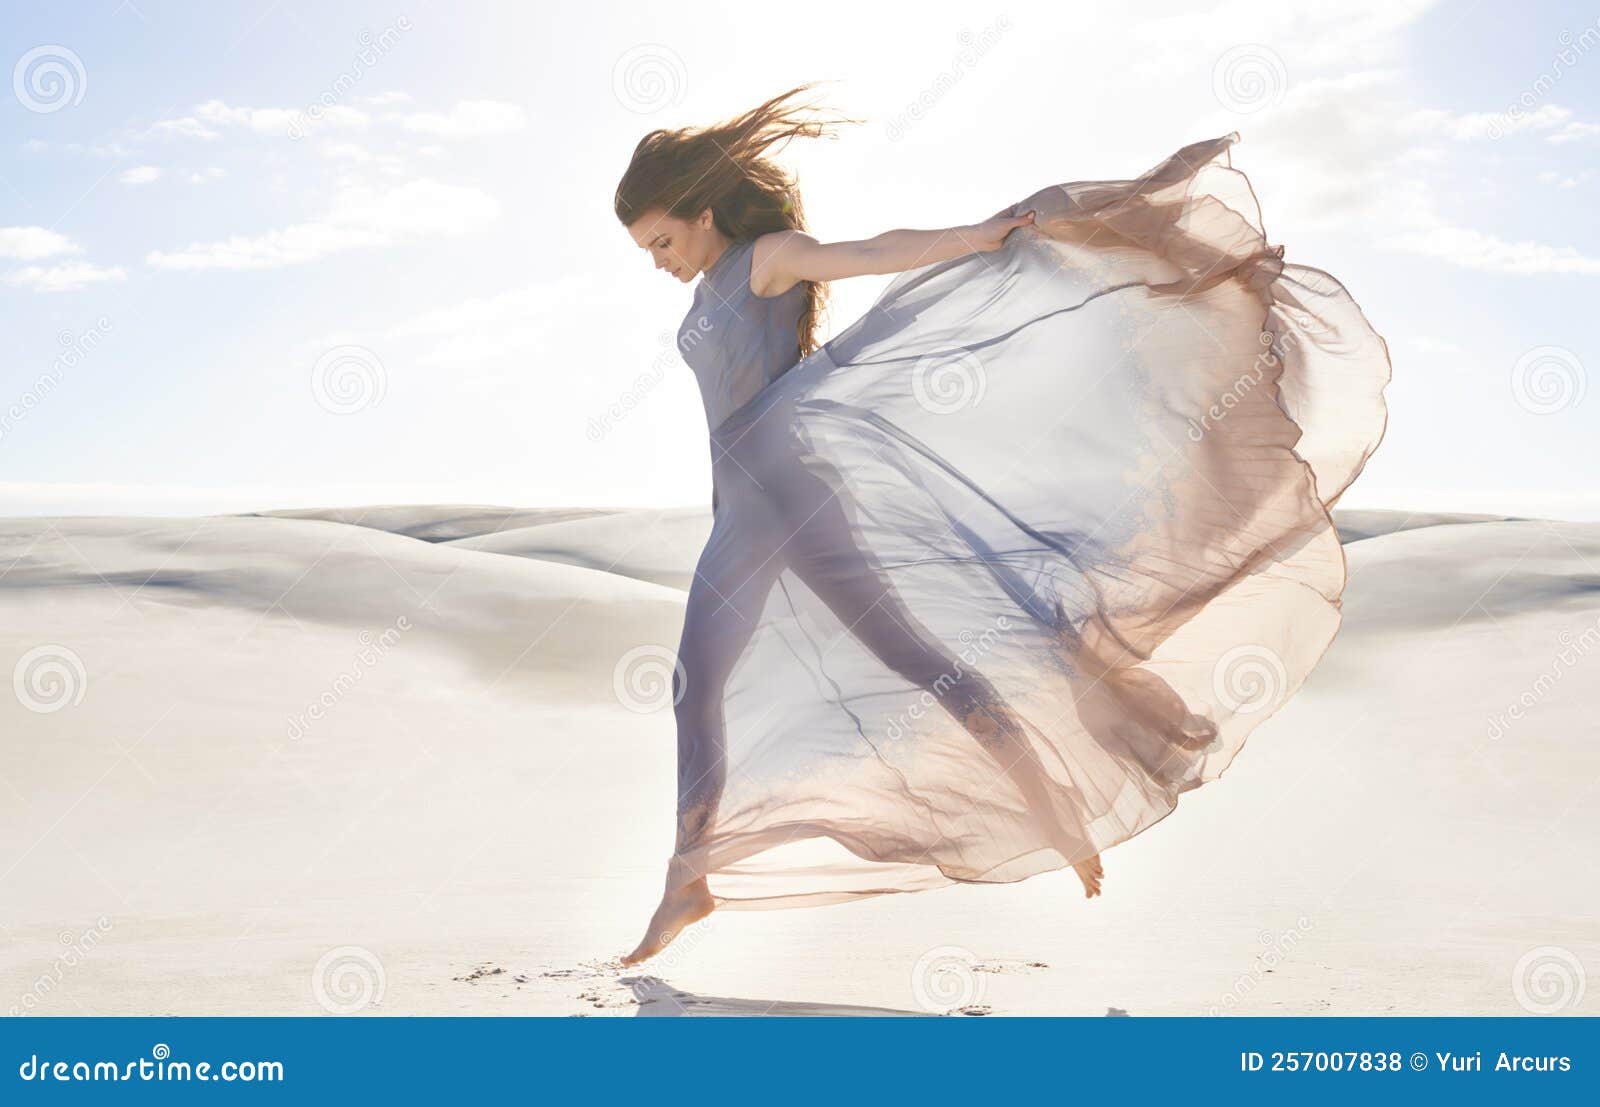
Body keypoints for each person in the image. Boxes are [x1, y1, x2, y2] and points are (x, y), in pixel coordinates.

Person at [613, 85, 1389, 966]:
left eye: (663, 241)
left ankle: (1058, 813)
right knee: (699, 681)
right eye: (646, 251)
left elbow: (867, 252)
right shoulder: (704, 292)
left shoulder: (765, 259)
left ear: (703, 213)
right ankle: (690, 877)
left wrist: (973, 238)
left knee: (914, 659)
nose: (659, 261)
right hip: (742, 509)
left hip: (794, 494)